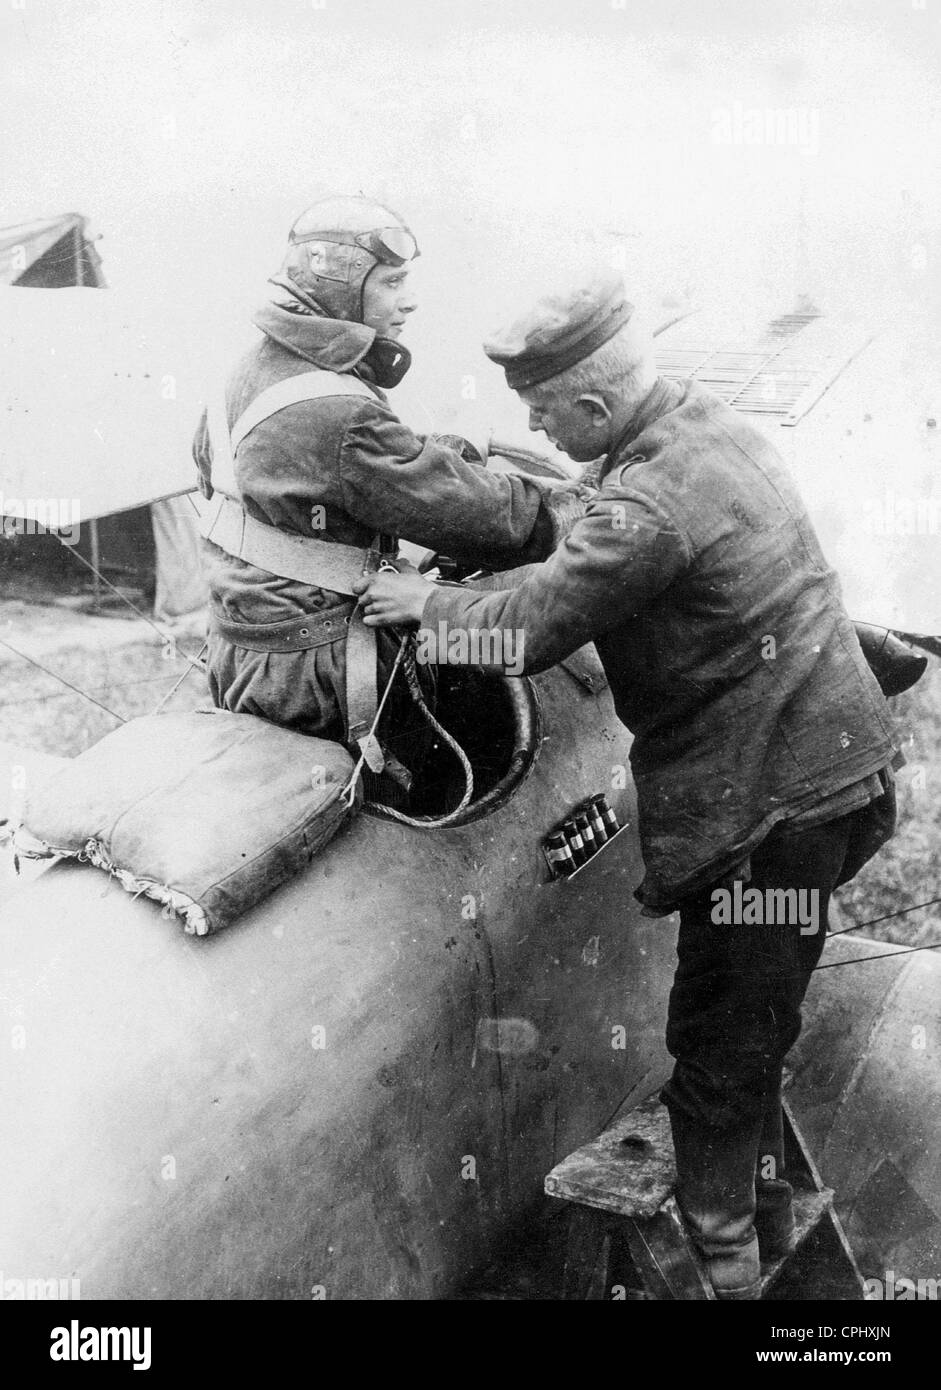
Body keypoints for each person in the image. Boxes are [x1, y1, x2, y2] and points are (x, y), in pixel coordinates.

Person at [354, 268, 900, 1299]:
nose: (533, 424)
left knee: (718, 1030)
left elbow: (527, 631)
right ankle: (751, 1194)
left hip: (766, 815)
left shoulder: (644, 504)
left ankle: (724, 1253)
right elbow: (623, 549)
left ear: (595, 407)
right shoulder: (709, 430)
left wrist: (421, 606)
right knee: (757, 1001)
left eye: (540, 409)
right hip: (836, 783)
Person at [191, 194, 583, 789]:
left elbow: (326, 479)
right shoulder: (341, 410)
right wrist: (575, 505)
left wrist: (450, 450)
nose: (410, 299)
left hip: (242, 654)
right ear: (344, 290)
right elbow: (482, 519)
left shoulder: (248, 374)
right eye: (393, 282)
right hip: (324, 671)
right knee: (408, 799)